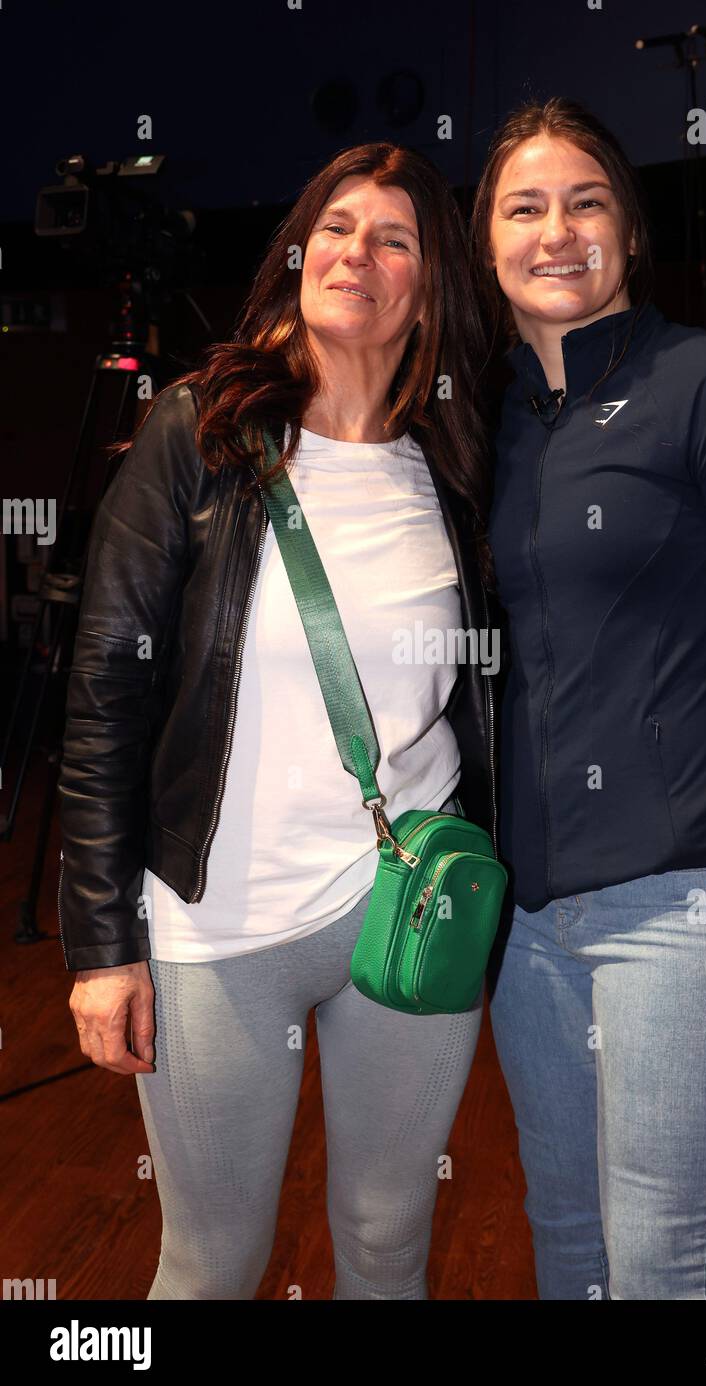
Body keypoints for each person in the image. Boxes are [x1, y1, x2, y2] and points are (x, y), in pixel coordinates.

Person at [58, 141, 498, 1301]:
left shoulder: (456, 462)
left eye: (395, 237)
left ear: (429, 286)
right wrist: (102, 946)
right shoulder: (194, 431)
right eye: (337, 226)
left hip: (409, 907)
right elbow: (106, 692)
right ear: (298, 253)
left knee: (388, 1239)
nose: (358, 251)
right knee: (212, 1264)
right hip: (217, 927)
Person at [470, 98, 706, 1300]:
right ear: (485, 243)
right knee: (565, 1237)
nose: (556, 230)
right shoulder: (482, 422)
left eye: (585, 201)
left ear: (628, 232)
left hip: (690, 903)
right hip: (525, 924)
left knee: (658, 1263)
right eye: (523, 207)